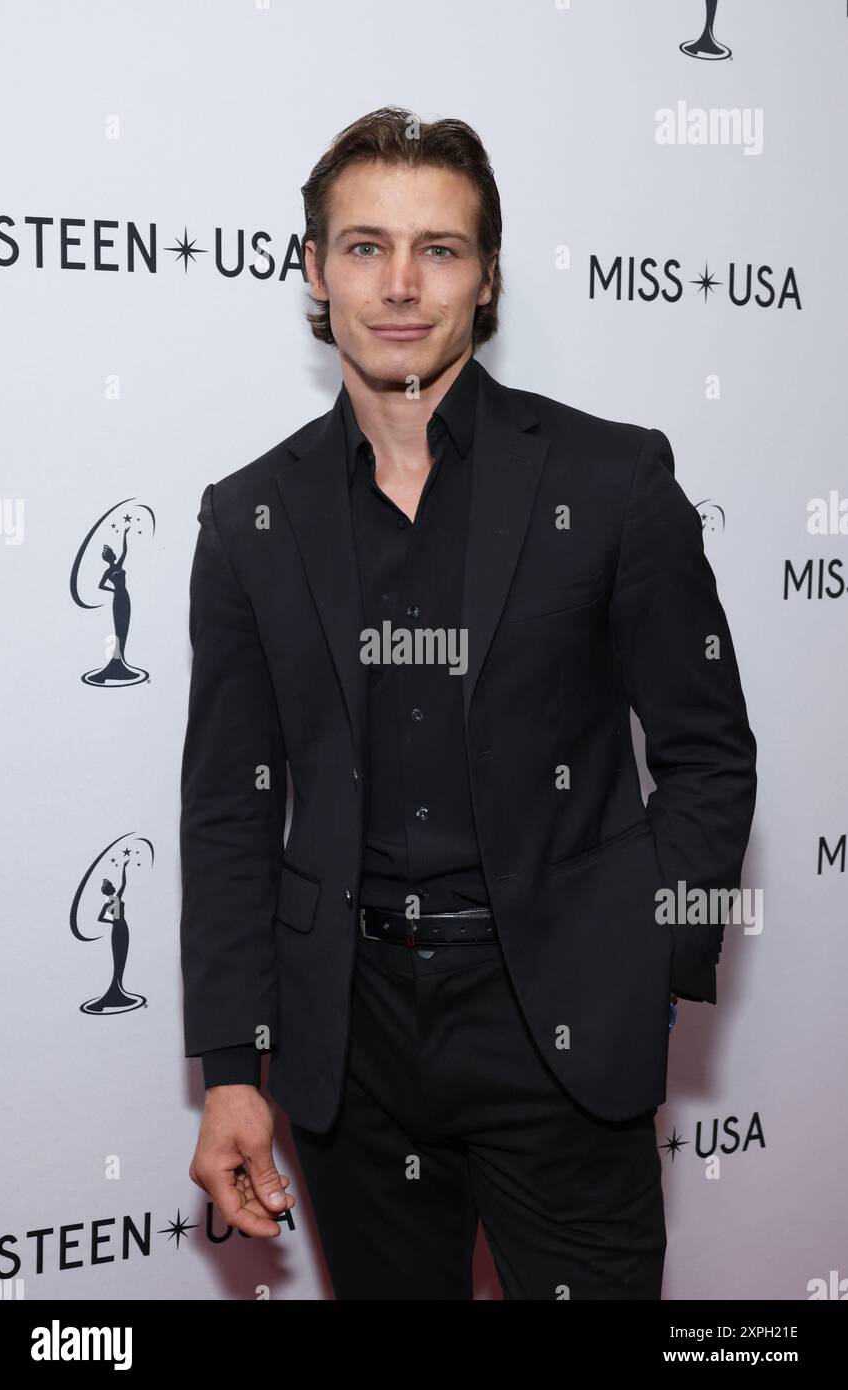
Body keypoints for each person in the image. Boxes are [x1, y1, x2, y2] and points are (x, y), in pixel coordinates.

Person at [179, 106, 757, 1299]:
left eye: (438, 249)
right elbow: (232, 814)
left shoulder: (611, 481)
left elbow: (709, 754)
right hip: (353, 1045)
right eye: (363, 245)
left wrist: (637, 960)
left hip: (558, 1032)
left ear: (487, 277)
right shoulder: (250, 519)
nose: (399, 284)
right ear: (312, 267)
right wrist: (235, 1065)